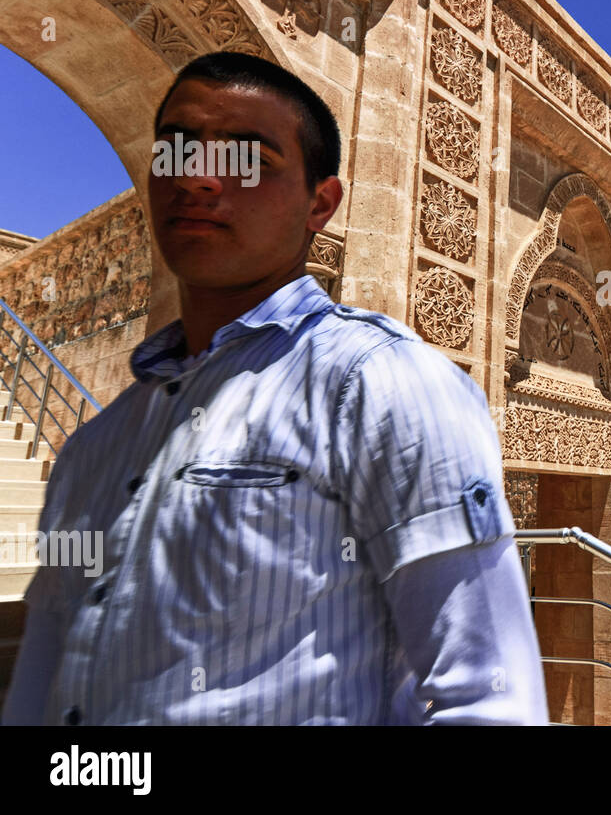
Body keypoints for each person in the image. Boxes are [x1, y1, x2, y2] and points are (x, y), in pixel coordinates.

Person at [1, 51, 548, 725]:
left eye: (248, 161)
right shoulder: (94, 449)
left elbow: (486, 698)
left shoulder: (384, 385)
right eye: (175, 152)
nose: (199, 178)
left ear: (321, 202)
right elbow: (44, 674)